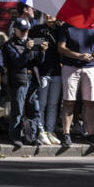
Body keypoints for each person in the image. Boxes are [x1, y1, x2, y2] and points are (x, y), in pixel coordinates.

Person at [58, 21, 94, 148]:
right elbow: (61, 47)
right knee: (69, 101)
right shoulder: (66, 26)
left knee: (90, 102)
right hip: (70, 67)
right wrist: (79, 56)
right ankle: (66, 133)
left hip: (90, 67)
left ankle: (91, 134)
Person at [3, 19, 49, 147]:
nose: (25, 32)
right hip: (18, 80)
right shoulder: (9, 45)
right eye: (22, 30)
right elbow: (18, 62)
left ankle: (32, 136)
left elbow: (37, 62)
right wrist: (27, 50)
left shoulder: (30, 42)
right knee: (17, 110)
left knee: (34, 109)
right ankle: (15, 137)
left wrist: (42, 51)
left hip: (32, 78)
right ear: (15, 30)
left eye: (27, 30)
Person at [30, 14, 63, 144]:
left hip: (57, 72)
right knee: (41, 104)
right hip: (42, 72)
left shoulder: (61, 30)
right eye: (46, 13)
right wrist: (41, 44)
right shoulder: (37, 29)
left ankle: (50, 131)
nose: (49, 15)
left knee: (53, 105)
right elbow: (31, 43)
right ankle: (41, 130)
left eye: (51, 12)